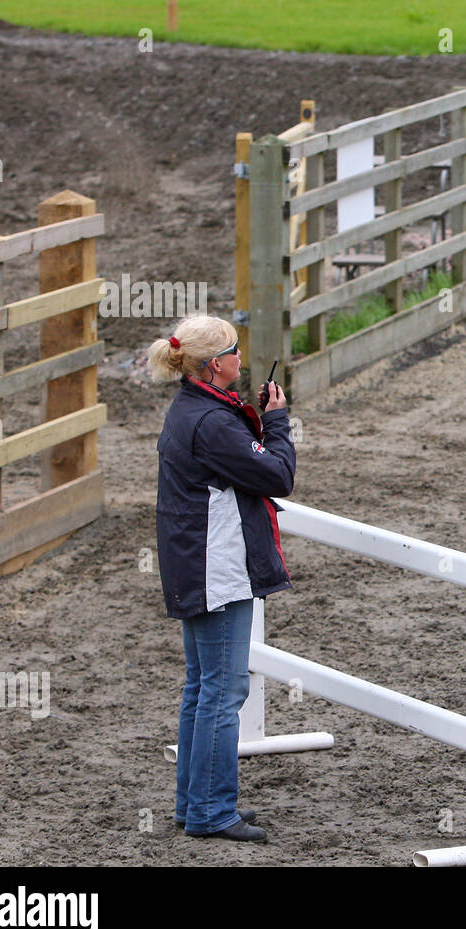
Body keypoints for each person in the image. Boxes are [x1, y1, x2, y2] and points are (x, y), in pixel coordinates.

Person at [148, 315, 296, 843]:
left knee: (203, 686)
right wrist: (276, 422)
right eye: (235, 350)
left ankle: (196, 803)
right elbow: (278, 475)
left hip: (196, 562)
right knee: (222, 689)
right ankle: (211, 809)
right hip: (217, 568)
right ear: (215, 364)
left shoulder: (194, 409)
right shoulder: (212, 422)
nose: (242, 358)